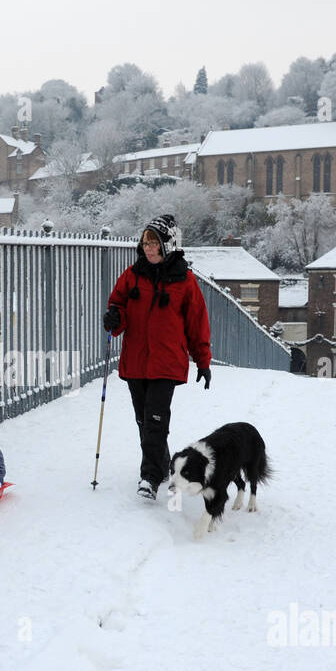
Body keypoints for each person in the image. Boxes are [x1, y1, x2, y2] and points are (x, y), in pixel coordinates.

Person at [102, 214, 211, 500]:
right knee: (143, 420)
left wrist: (203, 360)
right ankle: (162, 465)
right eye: (146, 242)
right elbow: (118, 306)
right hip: (136, 361)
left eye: (155, 243)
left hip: (166, 363)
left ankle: (149, 477)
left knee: (155, 419)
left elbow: (196, 322)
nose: (149, 248)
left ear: (168, 244)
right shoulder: (132, 275)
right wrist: (115, 318)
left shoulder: (185, 281)